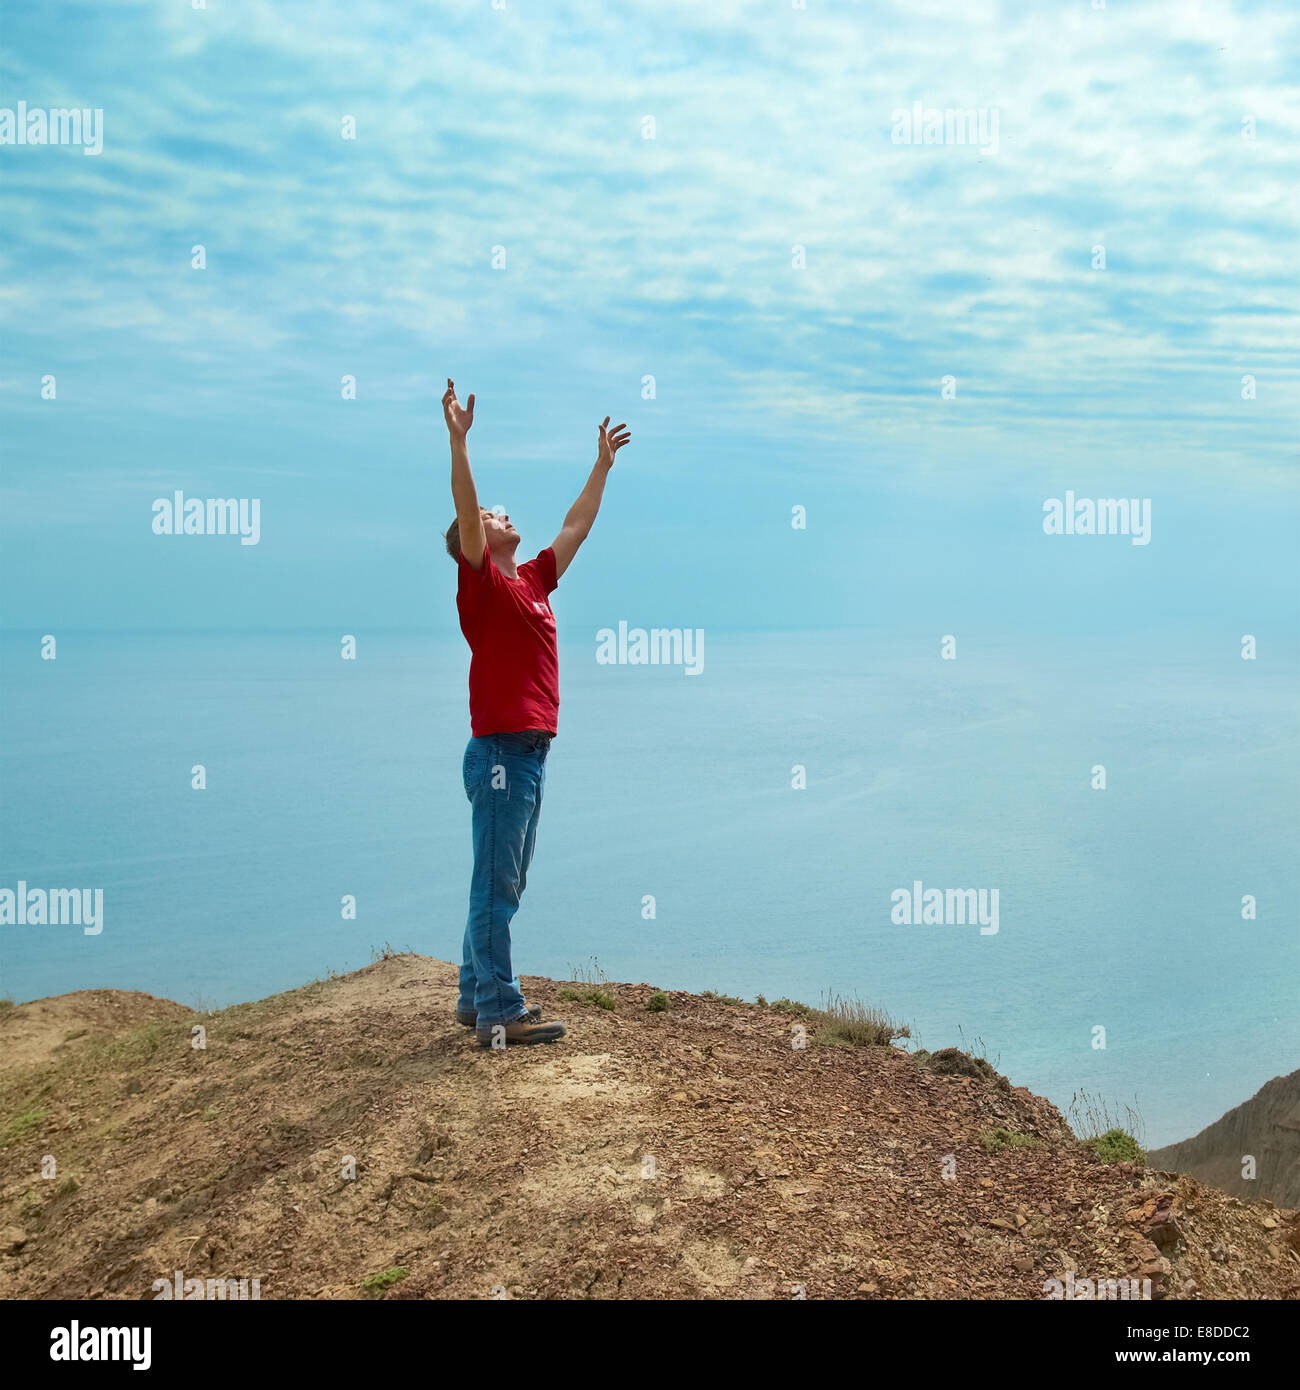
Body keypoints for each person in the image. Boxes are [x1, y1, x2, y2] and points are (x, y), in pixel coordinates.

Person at [442, 379, 631, 1047]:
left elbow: (575, 526)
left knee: (503, 880)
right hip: (500, 753)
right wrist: (459, 442)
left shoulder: (532, 580)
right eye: (494, 517)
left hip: (526, 750)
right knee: (496, 885)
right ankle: (498, 1010)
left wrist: (600, 467)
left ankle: (474, 993)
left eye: (499, 513)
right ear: (474, 541)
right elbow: (466, 513)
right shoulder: (484, 586)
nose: (500, 514)